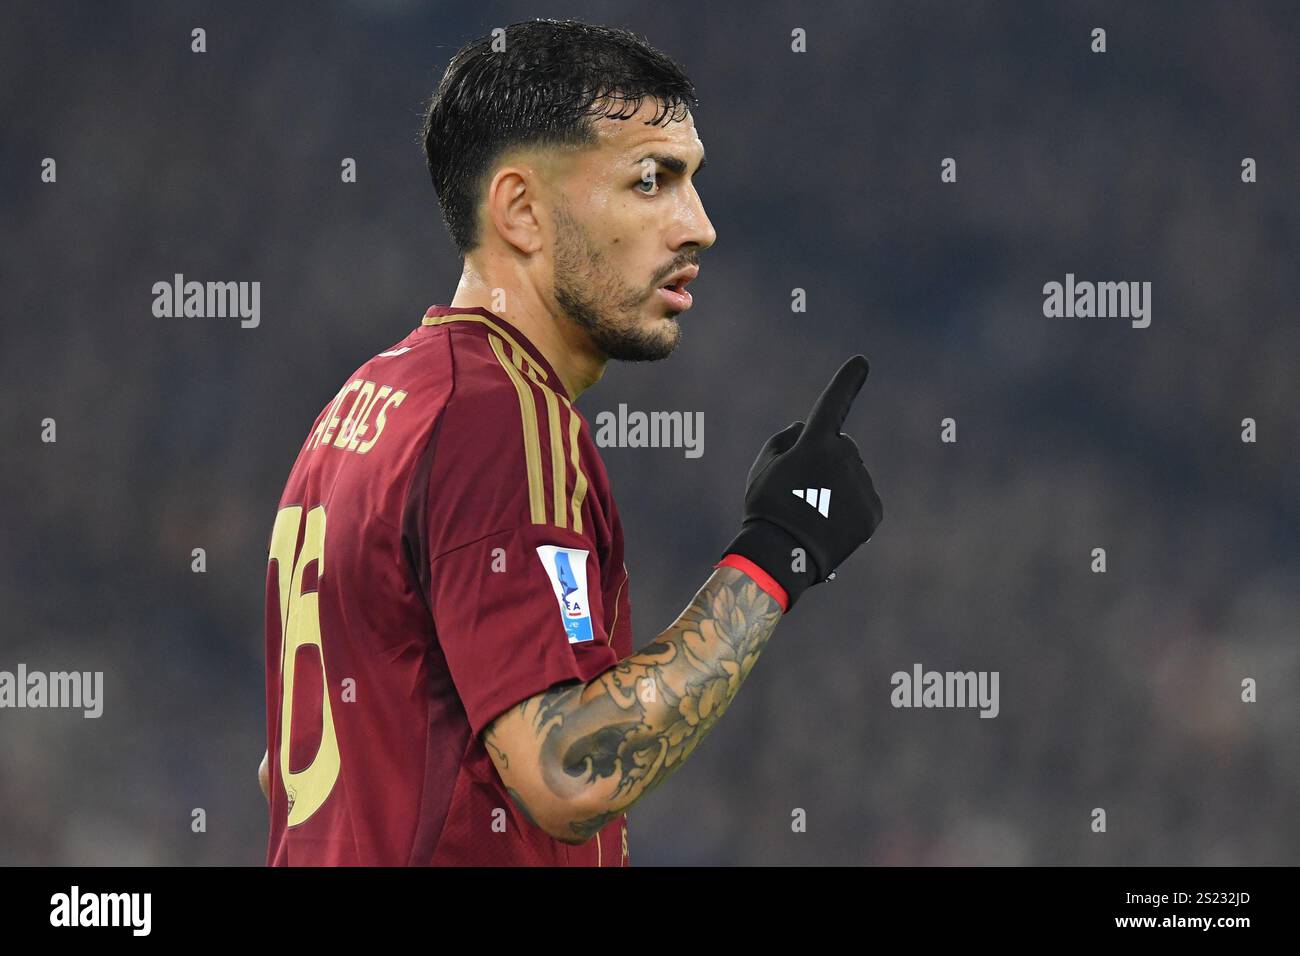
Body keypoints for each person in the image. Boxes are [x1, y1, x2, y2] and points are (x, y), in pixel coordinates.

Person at [259, 17, 882, 866]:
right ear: (522, 209)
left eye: (691, 182)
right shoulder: (495, 416)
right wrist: (779, 552)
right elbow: (569, 768)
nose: (698, 225)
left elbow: (285, 773)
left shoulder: (367, 405)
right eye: (651, 181)